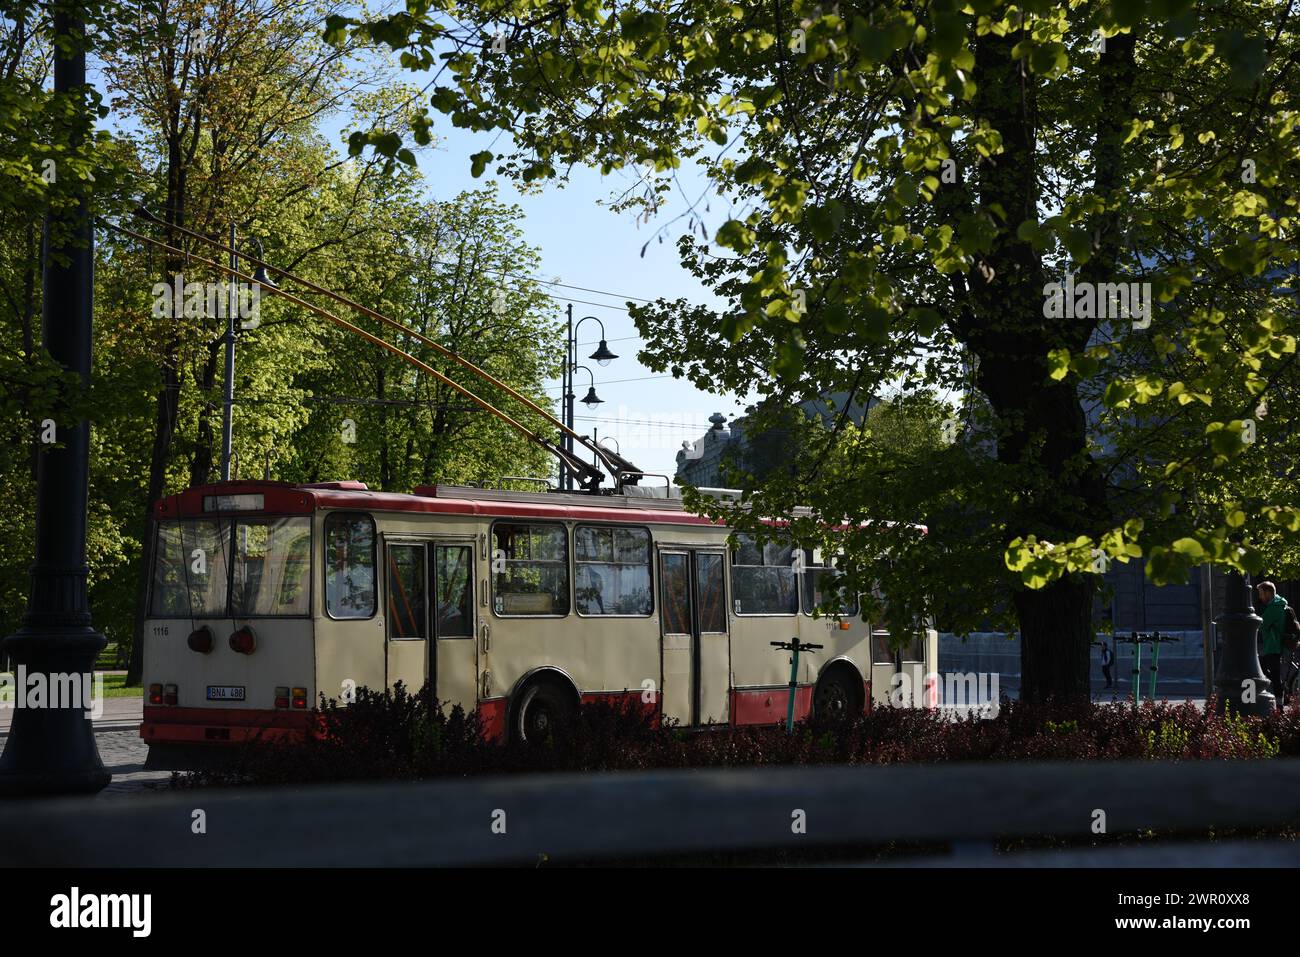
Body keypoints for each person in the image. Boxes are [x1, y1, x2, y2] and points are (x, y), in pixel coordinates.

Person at [1256, 580, 1289, 707]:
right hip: (1274, 645)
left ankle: (1280, 706)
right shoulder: (1278, 604)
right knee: (1266, 670)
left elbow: (1262, 624)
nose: (1260, 597)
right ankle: (1282, 692)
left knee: (1274, 676)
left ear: (1268, 593)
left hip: (1274, 646)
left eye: (1261, 593)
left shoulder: (1274, 607)